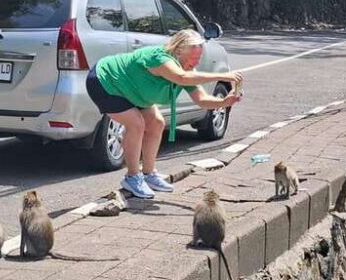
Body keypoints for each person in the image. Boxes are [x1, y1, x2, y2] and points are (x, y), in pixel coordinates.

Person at [87, 29, 244, 199]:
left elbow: (201, 99)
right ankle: (132, 177)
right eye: (193, 58)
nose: (196, 63)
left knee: (157, 122)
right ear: (179, 51)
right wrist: (223, 76)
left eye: (198, 58)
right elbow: (181, 78)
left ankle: (149, 174)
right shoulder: (160, 58)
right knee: (136, 124)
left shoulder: (186, 70)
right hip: (106, 81)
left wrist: (224, 102)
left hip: (133, 91)